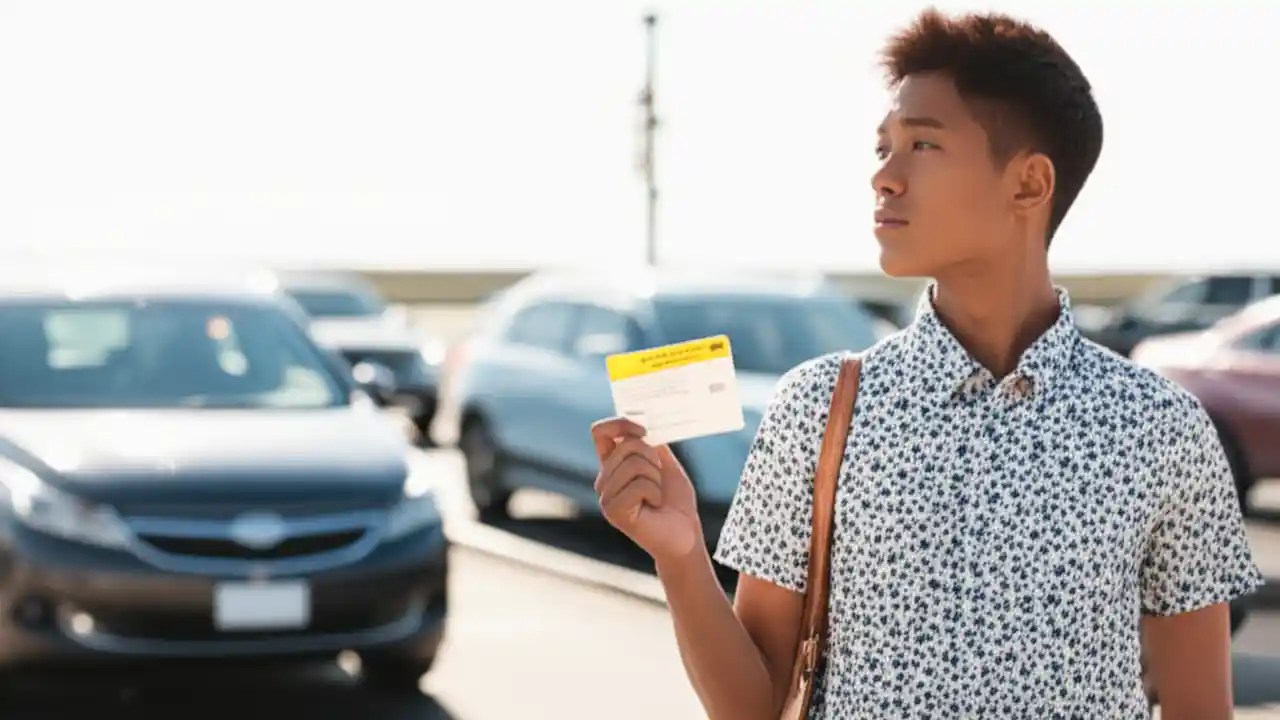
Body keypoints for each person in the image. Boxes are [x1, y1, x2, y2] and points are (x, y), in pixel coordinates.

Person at [590, 8, 1265, 719]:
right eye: (882, 147)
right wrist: (682, 555)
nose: (884, 176)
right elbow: (753, 709)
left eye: (922, 144)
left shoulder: (1162, 430)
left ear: (1029, 185)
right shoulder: (817, 409)